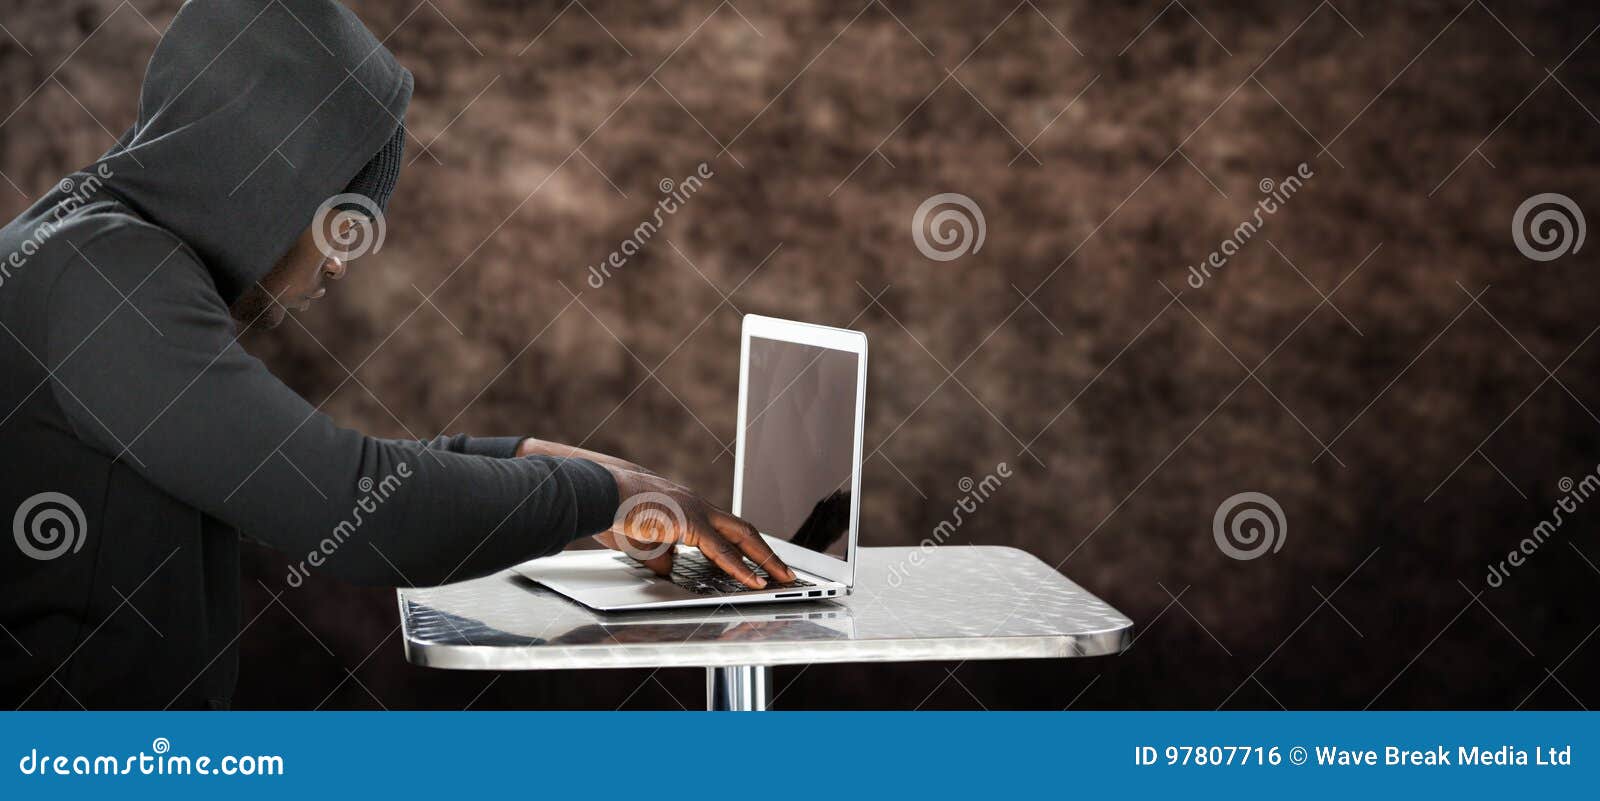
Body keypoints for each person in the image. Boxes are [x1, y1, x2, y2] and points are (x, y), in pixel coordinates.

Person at [0, 0, 790, 710]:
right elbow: (357, 510)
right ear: (266, 164)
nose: (343, 261)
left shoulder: (90, 249)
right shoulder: (102, 276)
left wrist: (535, 458)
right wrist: (604, 492)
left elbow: (313, 471)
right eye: (339, 214)